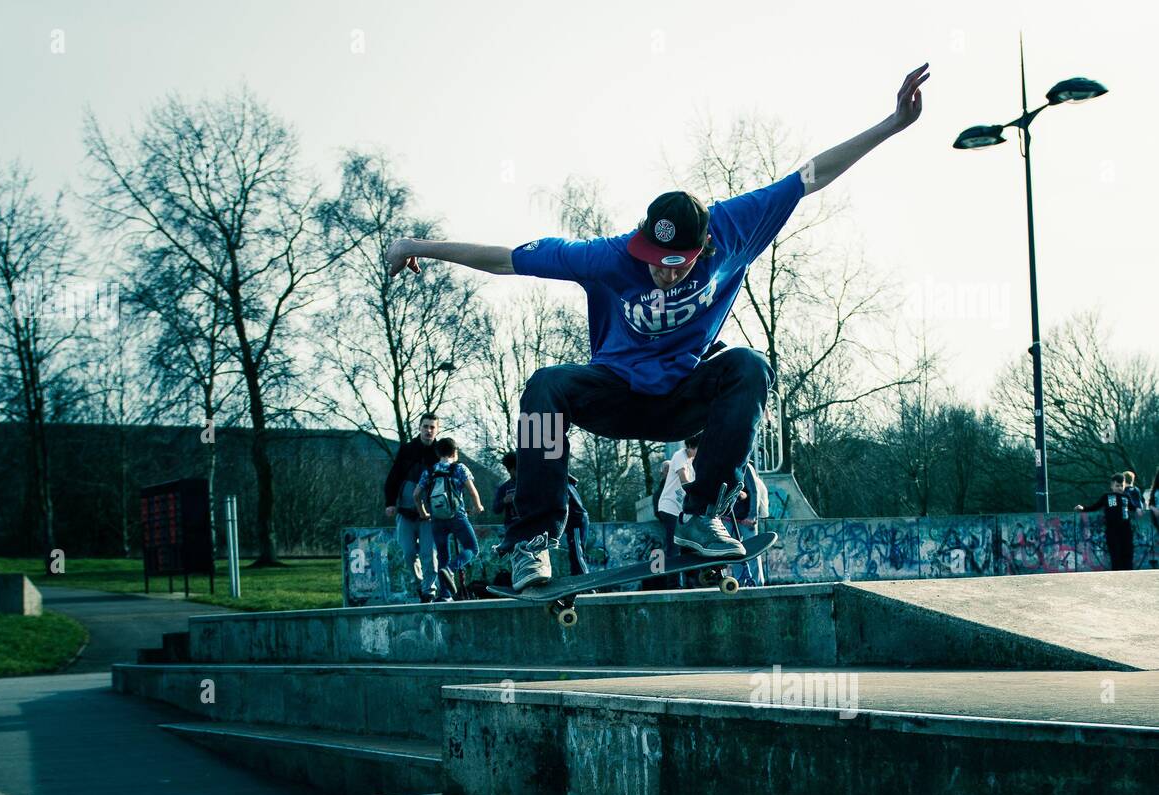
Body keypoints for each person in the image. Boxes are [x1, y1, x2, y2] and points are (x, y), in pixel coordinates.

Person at [386, 65, 930, 590]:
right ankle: (533, 542)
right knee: (546, 386)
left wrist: (892, 124)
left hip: (684, 398)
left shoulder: (737, 227)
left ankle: (702, 515)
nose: (661, 271)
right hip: (616, 393)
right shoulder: (606, 257)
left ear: (703, 247)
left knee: (748, 367)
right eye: (653, 258)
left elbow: (811, 176)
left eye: (677, 262)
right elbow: (506, 259)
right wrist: (417, 247)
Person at [415, 437, 484, 600]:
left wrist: (423, 513)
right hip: (457, 516)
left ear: (438, 453)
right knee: (472, 548)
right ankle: (452, 569)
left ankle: (445, 595)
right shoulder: (459, 468)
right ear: (455, 452)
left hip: (437, 519)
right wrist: (478, 506)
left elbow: (416, 495)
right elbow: (472, 492)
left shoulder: (429, 471)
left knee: (442, 556)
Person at [382, 411, 441, 601]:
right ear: (420, 428)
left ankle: (429, 591)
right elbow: (394, 477)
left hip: (429, 515)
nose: (429, 430)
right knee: (408, 553)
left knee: (428, 555)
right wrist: (390, 502)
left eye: (432, 427)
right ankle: (418, 584)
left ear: (437, 429)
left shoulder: (440, 452)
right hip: (406, 512)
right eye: (426, 426)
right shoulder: (407, 449)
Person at [655, 436, 699, 588]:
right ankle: (673, 584)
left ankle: (690, 581)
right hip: (669, 507)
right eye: (697, 450)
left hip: (681, 510)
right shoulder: (679, 455)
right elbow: (685, 481)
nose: (698, 453)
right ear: (690, 447)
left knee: (688, 545)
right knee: (674, 547)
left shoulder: (692, 462)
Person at [1075, 473, 1137, 571]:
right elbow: (1095, 506)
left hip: (1126, 530)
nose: (1120, 488)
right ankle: (1117, 575)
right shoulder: (1107, 496)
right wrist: (1083, 508)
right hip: (1112, 530)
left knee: (1127, 553)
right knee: (1115, 555)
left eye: (1122, 486)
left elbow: (1134, 507)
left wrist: (1139, 509)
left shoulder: (1126, 497)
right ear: (1112, 486)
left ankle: (1129, 574)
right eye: (1117, 486)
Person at [730, 461, 769, 586]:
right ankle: (739, 583)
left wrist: (752, 515)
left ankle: (757, 584)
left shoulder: (745, 467)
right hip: (729, 517)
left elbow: (754, 491)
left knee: (751, 551)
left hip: (745, 518)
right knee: (734, 552)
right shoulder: (722, 465)